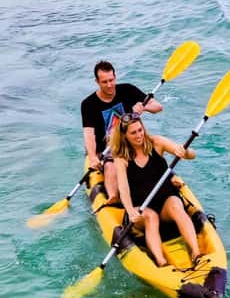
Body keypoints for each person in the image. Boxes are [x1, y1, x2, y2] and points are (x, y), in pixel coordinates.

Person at [111, 113, 200, 267]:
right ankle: (161, 262)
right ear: (125, 136)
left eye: (140, 130)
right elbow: (123, 188)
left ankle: (196, 253)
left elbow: (192, 155)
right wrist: (130, 211)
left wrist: (185, 152)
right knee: (151, 217)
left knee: (176, 206)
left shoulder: (157, 143)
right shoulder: (121, 158)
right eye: (133, 133)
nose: (139, 135)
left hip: (165, 202)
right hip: (142, 207)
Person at [81, 60, 162, 204]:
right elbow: (89, 134)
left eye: (111, 80)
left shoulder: (127, 90)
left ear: (115, 77)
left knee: (153, 148)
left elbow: (158, 106)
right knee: (111, 164)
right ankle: (113, 198)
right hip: (108, 148)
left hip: (132, 141)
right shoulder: (88, 104)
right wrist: (93, 157)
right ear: (97, 82)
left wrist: (144, 108)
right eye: (104, 82)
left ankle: (164, 180)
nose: (109, 85)